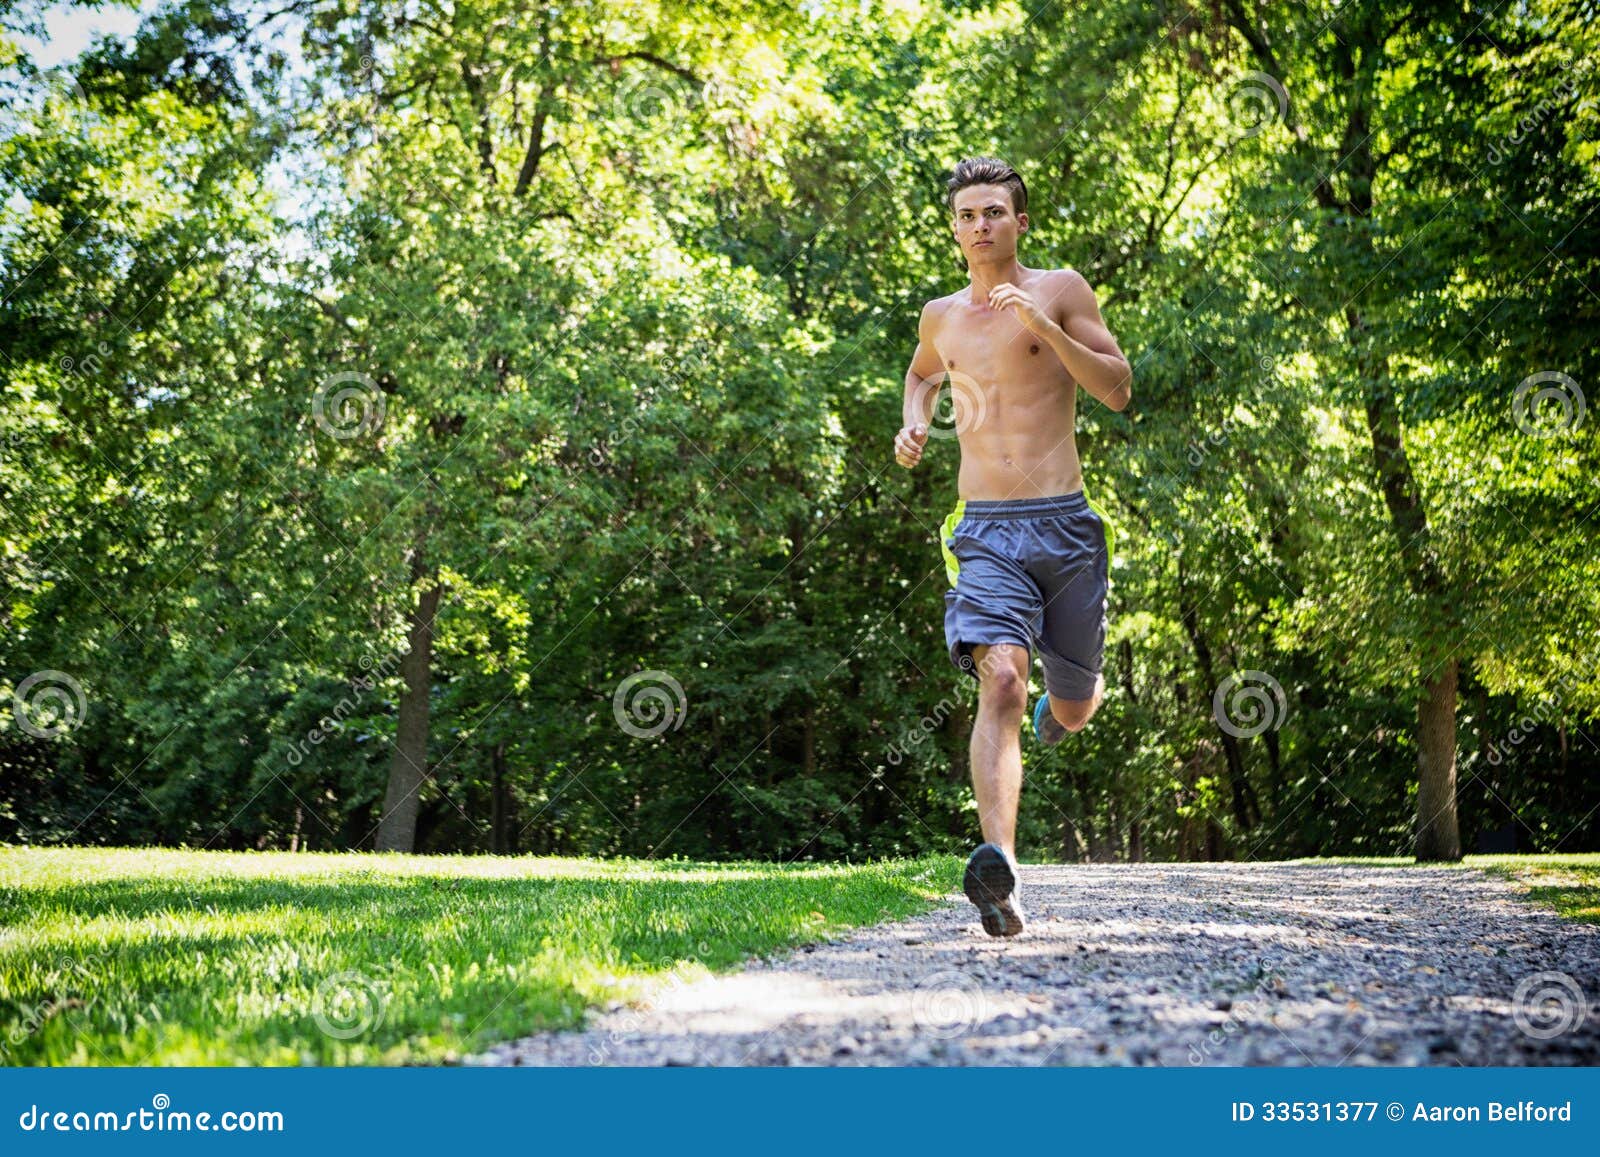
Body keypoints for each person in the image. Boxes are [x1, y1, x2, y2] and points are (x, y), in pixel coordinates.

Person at [893, 156, 1132, 937]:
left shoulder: (1061, 290)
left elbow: (1117, 387)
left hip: (1065, 525)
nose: (980, 225)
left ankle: (1066, 712)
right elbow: (922, 373)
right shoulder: (941, 315)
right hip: (985, 529)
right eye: (967, 214)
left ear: (1020, 221)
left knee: (1074, 702)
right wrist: (916, 418)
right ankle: (1000, 872)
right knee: (1000, 681)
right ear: (954, 226)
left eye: (995, 211)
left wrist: (1043, 328)